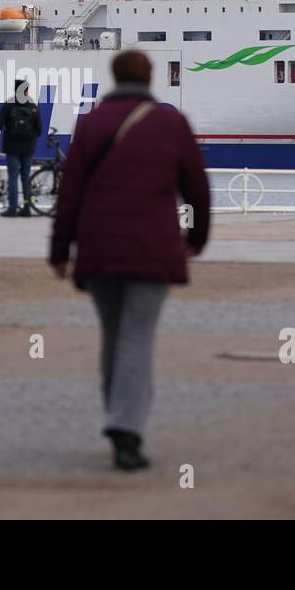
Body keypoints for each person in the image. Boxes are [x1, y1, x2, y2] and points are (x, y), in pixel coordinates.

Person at [49, 50, 211, 471]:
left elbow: (68, 195)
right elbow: (197, 187)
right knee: (137, 338)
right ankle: (127, 430)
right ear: (151, 77)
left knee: (112, 334)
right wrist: (197, 238)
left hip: (99, 249)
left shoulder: (90, 123)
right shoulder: (171, 123)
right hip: (152, 250)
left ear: (114, 75)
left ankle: (117, 418)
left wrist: (59, 250)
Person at [0, 79, 42, 217]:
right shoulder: (33, 106)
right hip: (28, 148)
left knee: (13, 177)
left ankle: (12, 208)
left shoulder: (9, 105)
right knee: (26, 178)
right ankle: (26, 207)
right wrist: (30, 139)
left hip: (12, 147)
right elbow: (40, 129)